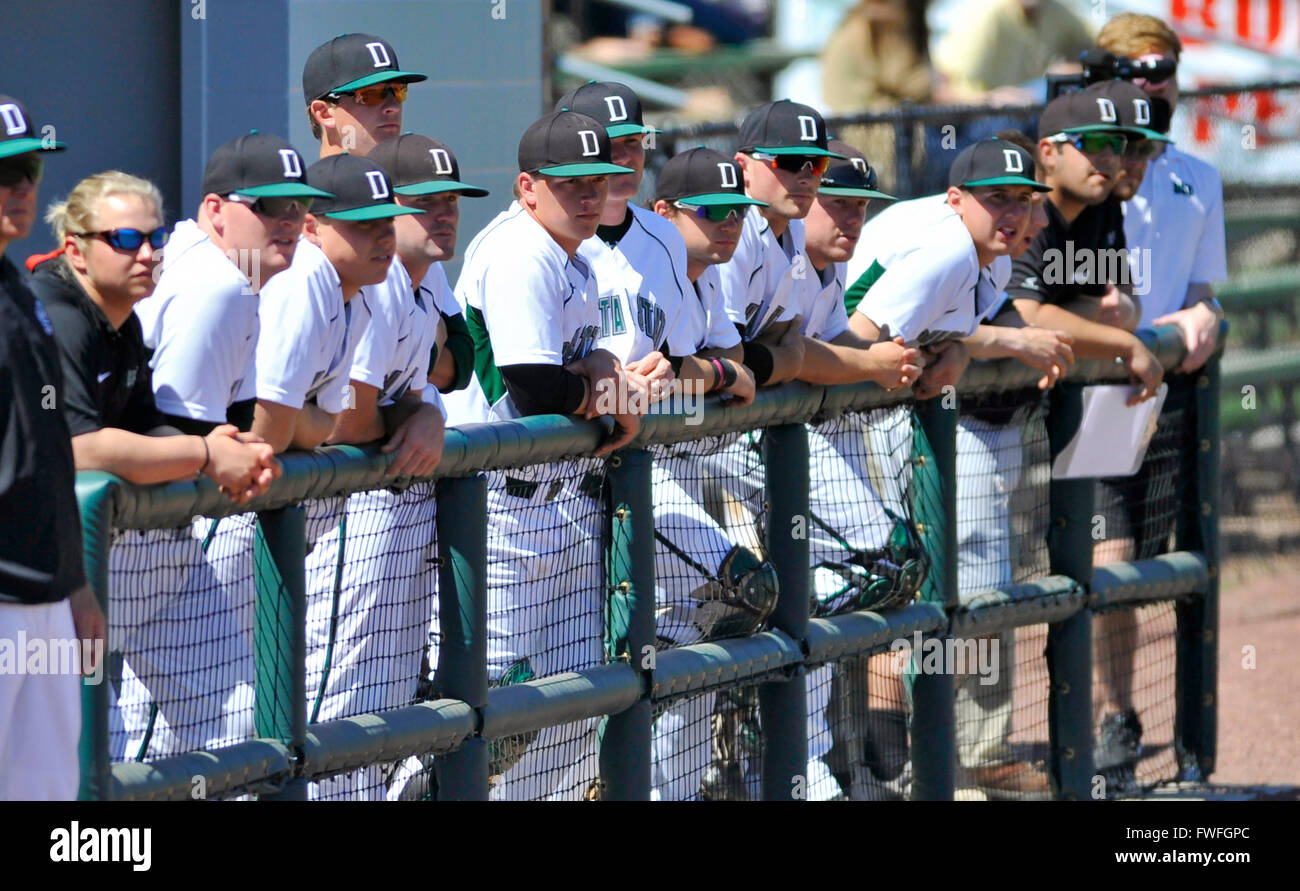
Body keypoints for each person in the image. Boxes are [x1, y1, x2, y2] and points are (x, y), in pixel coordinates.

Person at [844, 137, 1057, 797]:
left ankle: (897, 765)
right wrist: (975, 345)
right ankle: (880, 763)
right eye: (998, 199)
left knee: (913, 586)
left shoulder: (987, 256)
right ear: (956, 199)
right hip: (841, 418)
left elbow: (944, 328)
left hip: (873, 415)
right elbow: (858, 335)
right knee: (875, 585)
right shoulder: (945, 248)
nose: (1014, 214)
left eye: (1024, 200)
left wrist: (967, 346)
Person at [454, 109, 640, 799]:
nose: (589, 196)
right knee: (489, 705)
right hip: (497, 508)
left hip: (555, 507)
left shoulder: (576, 257)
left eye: (598, 181)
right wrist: (598, 392)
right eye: (571, 184)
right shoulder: (519, 251)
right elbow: (533, 386)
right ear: (528, 186)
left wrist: (598, 369)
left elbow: (584, 357)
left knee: (574, 700)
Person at [1089, 13, 1228, 793]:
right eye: (1132, 72)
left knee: (1177, 566)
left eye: (1161, 70)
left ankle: (1188, 736)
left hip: (1175, 400)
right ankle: (1114, 716)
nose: (1149, 85)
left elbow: (1203, 289)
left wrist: (1203, 316)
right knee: (1110, 560)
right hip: (1104, 393)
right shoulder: (1086, 175)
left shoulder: (1197, 176)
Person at [29, 171, 279, 499]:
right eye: (127, 239)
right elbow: (79, 445)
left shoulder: (125, 321)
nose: (148, 254)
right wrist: (204, 453)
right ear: (76, 252)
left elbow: (145, 426)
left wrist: (227, 451)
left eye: (156, 238)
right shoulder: (58, 314)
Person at [0, 95, 105, 801]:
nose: (23, 185)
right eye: (5, 172)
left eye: (30, 167)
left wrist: (75, 582)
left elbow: (51, 448)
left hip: (40, 591)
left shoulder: (18, 287)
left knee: (46, 793)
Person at [934, 0, 1094, 104]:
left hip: (1023, 112)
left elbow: (1098, 45)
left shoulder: (1057, 11)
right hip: (977, 123)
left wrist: (1076, 69)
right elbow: (940, 90)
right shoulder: (988, 15)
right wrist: (991, 99)